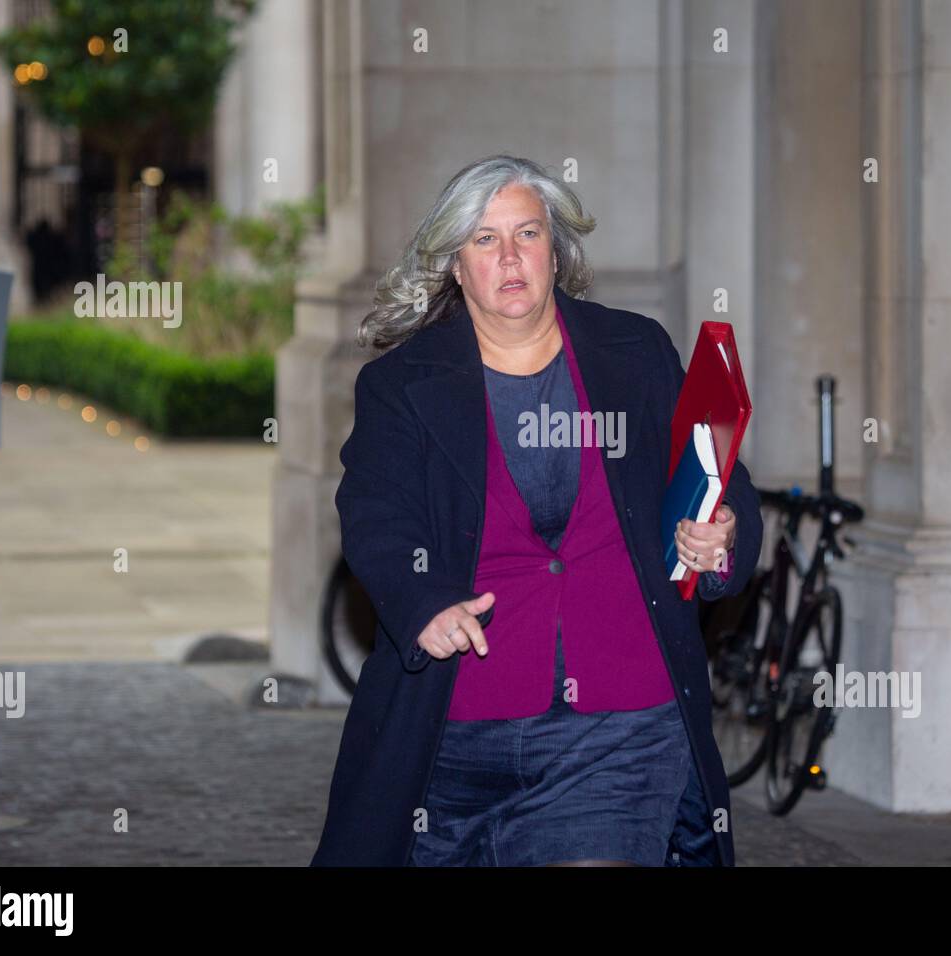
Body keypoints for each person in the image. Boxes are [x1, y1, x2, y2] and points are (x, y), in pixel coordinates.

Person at [311, 155, 762, 867]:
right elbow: (375, 512)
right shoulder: (402, 386)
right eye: (485, 240)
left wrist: (723, 531)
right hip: (457, 727)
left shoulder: (634, 352)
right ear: (455, 266)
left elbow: (717, 472)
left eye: (528, 233)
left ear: (557, 249)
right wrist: (424, 599)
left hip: (620, 718)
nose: (511, 257)